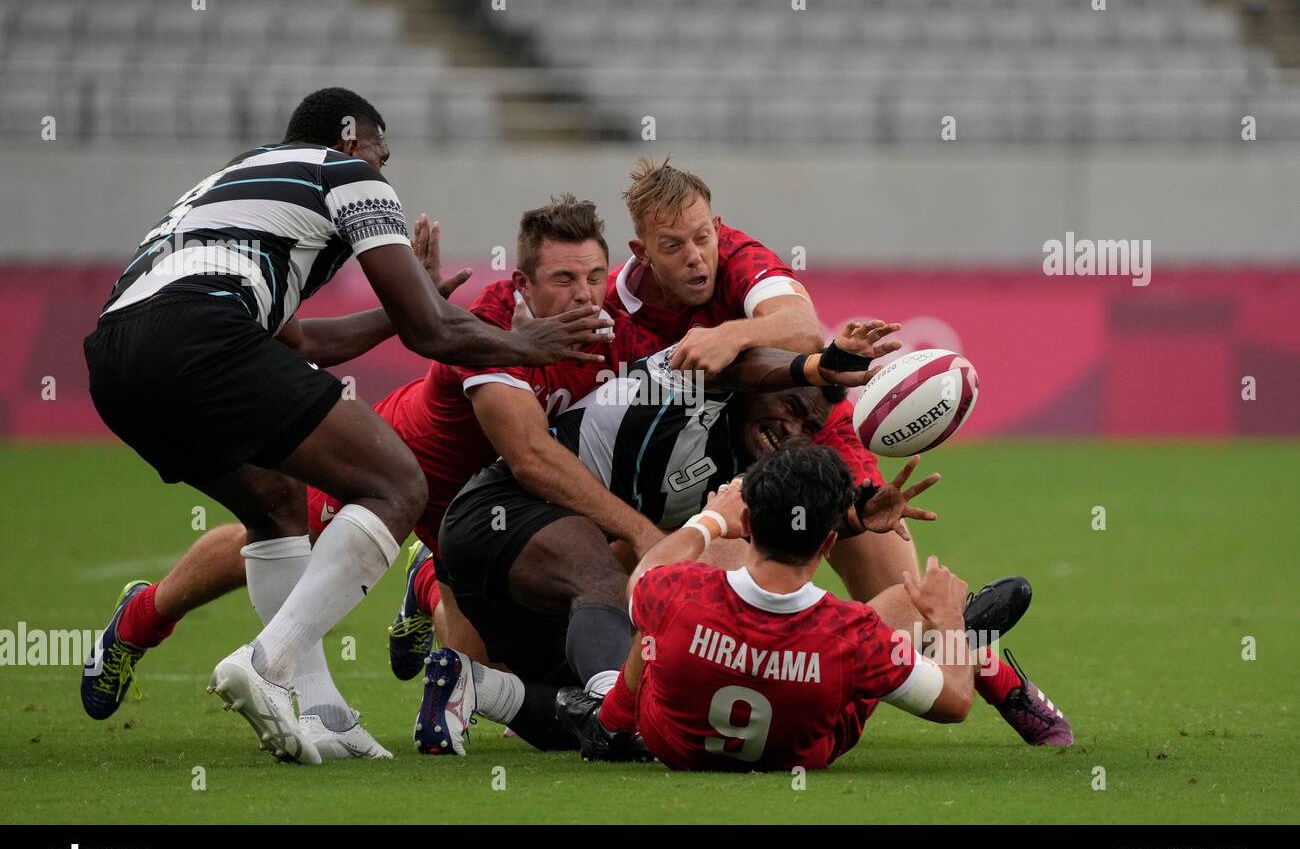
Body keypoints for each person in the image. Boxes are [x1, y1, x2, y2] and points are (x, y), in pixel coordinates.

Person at [81, 88, 610, 764]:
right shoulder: (347, 174)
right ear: (352, 138)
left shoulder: (249, 176)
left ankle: (325, 714)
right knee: (395, 484)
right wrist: (528, 344)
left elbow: (299, 342)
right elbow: (432, 332)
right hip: (199, 335)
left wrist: (410, 306)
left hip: (118, 361)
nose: (385, 171)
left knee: (277, 504)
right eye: (382, 155)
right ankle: (265, 663)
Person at [418, 325, 918, 754]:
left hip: (533, 577)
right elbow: (734, 362)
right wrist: (814, 365)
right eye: (789, 404)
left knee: (571, 716)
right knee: (608, 599)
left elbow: (787, 537)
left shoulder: (753, 462)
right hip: (498, 512)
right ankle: (611, 713)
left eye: (808, 426)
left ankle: (473, 684)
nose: (791, 428)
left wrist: (853, 517)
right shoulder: (691, 381)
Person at [562, 446, 1073, 771]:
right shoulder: (856, 632)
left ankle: (611, 723)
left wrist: (710, 521)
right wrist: (949, 624)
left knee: (662, 610)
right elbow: (955, 705)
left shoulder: (676, 592)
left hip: (673, 743)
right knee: (910, 601)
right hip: (801, 753)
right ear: (830, 544)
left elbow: (649, 571)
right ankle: (976, 653)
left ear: (749, 521)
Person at [605, 156, 919, 602]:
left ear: (717, 227)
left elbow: (802, 327)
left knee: (907, 596)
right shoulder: (609, 311)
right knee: (701, 590)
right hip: (697, 468)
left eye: (702, 237)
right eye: (673, 246)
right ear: (642, 251)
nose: (696, 257)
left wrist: (731, 335)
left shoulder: (740, 257)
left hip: (805, 424)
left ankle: (975, 664)